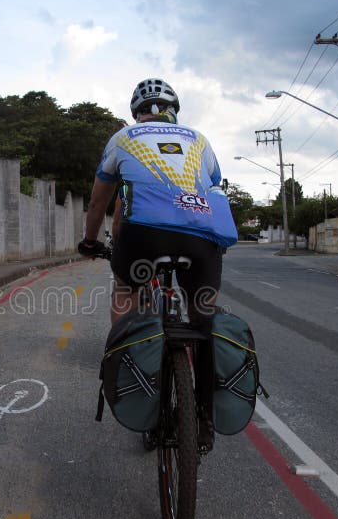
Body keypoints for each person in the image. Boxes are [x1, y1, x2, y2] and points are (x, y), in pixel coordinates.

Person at [77, 77, 238, 451]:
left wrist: (90, 242)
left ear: (135, 114)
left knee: (124, 291)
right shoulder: (199, 140)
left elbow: (103, 204)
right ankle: (207, 412)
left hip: (143, 240)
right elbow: (214, 189)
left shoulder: (124, 139)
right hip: (201, 239)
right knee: (204, 315)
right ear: (175, 111)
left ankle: (123, 363)